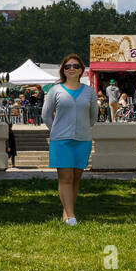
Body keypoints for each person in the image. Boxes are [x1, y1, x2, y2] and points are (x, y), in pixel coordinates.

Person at [41, 54, 99, 225]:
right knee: (65, 178)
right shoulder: (55, 90)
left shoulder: (89, 92)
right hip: (61, 141)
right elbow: (46, 115)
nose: (71, 69)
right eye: (68, 66)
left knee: (75, 178)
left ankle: (66, 213)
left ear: (81, 70)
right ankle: (72, 217)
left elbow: (93, 116)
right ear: (63, 70)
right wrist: (56, 130)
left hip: (83, 140)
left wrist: (83, 129)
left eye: (75, 66)